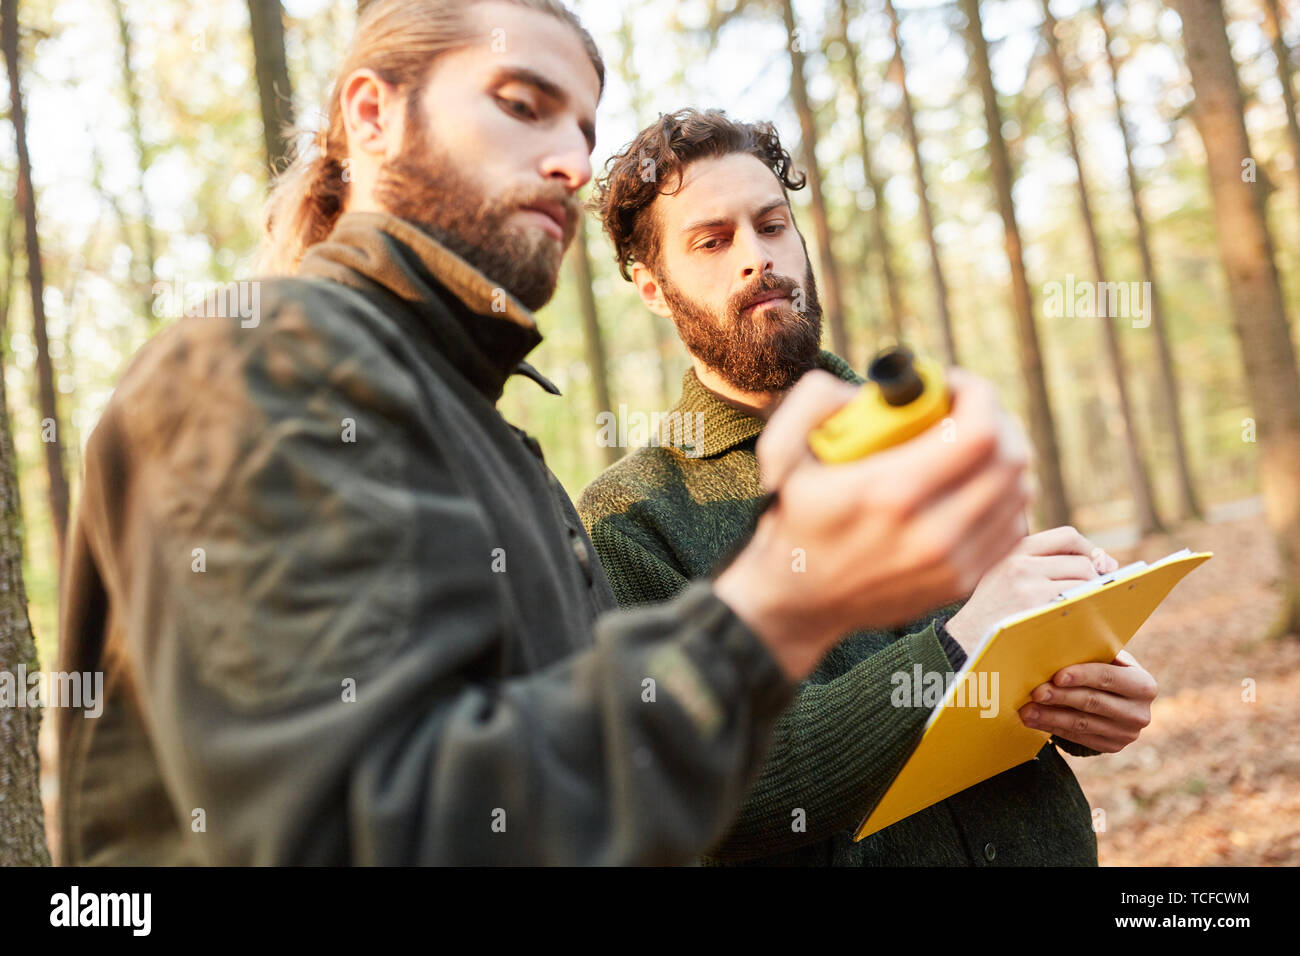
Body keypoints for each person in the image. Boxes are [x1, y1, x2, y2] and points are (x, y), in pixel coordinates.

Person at [56, 1, 1028, 865]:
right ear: (373, 114)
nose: (571, 162)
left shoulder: (489, 440)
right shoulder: (256, 367)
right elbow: (341, 831)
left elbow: (590, 795)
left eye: (582, 128)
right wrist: (781, 605)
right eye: (523, 105)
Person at [579, 108, 1158, 866]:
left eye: (772, 225)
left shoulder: (930, 424)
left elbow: (1023, 654)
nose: (757, 258)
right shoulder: (626, 518)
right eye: (713, 241)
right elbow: (714, 794)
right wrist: (956, 646)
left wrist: (1091, 697)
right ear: (654, 289)